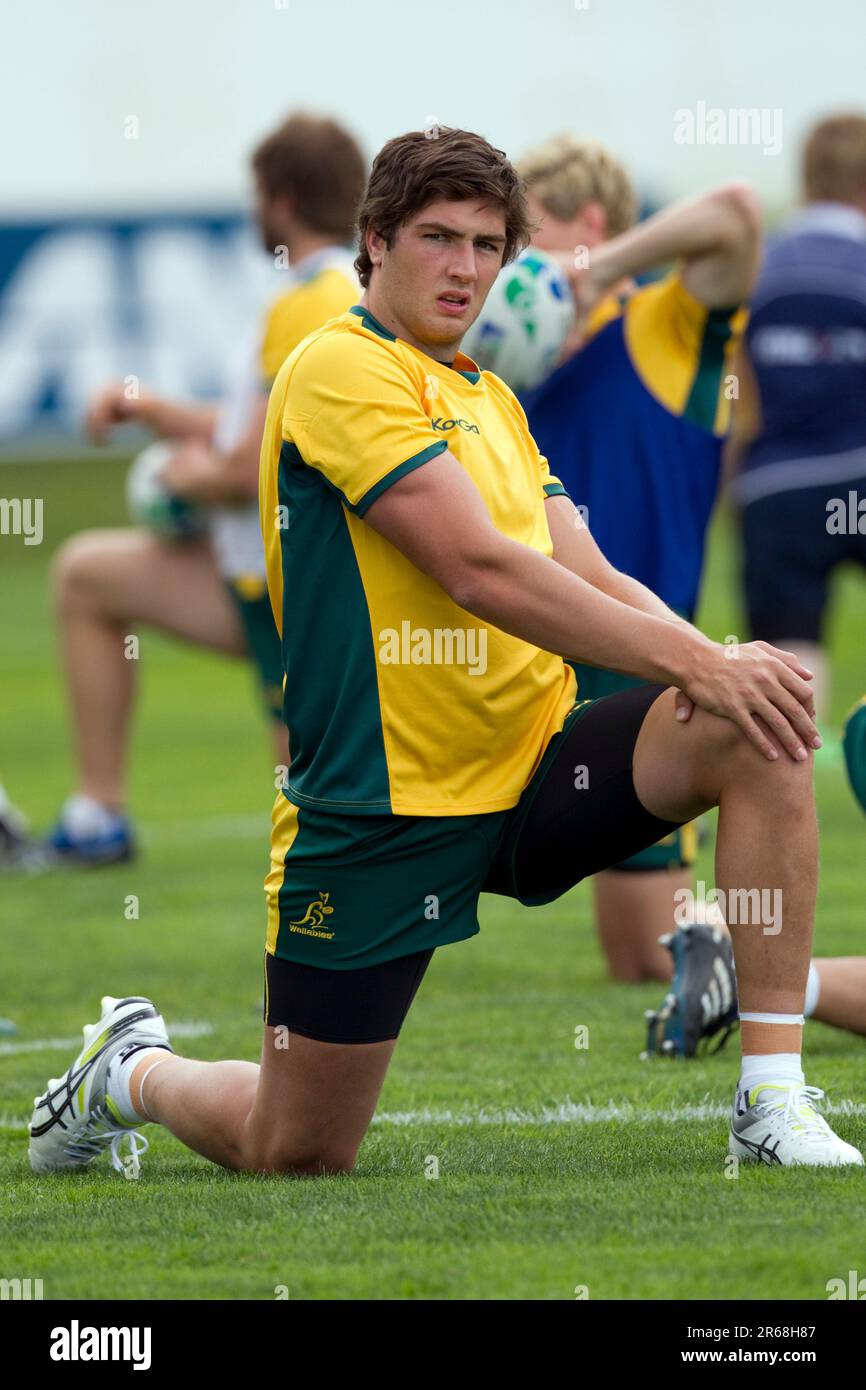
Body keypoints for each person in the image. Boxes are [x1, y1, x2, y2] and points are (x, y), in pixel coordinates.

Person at [29, 127, 861, 1178]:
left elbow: (589, 569)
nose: (464, 268)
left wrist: (723, 661)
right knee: (294, 1149)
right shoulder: (338, 364)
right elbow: (482, 571)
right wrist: (697, 665)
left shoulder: (489, 395)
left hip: (529, 767)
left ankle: (769, 1101)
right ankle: (129, 1067)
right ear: (372, 242)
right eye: (436, 237)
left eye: (484, 244)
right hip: (382, 808)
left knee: (759, 726)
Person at [43, 113, 365, 865]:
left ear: (281, 198)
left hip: (283, 581)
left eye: (259, 194)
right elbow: (269, 424)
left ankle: (327, 968)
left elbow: (245, 463)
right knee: (87, 577)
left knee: (312, 807)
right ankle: (97, 815)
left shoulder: (304, 302)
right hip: (284, 571)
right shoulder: (338, 286)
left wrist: (183, 478)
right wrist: (158, 411)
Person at [518, 135, 752, 994]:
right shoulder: (514, 353)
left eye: (528, 248)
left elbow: (735, 212)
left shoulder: (662, 323)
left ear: (588, 228)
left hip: (640, 671)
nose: (513, 276)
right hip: (520, 664)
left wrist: (589, 274)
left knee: (642, 961)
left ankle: (773, 981)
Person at [728, 113, 866, 724]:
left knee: (790, 678)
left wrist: (730, 495)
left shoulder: (757, 271)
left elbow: (739, 405)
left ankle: (789, 800)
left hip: (777, 491)